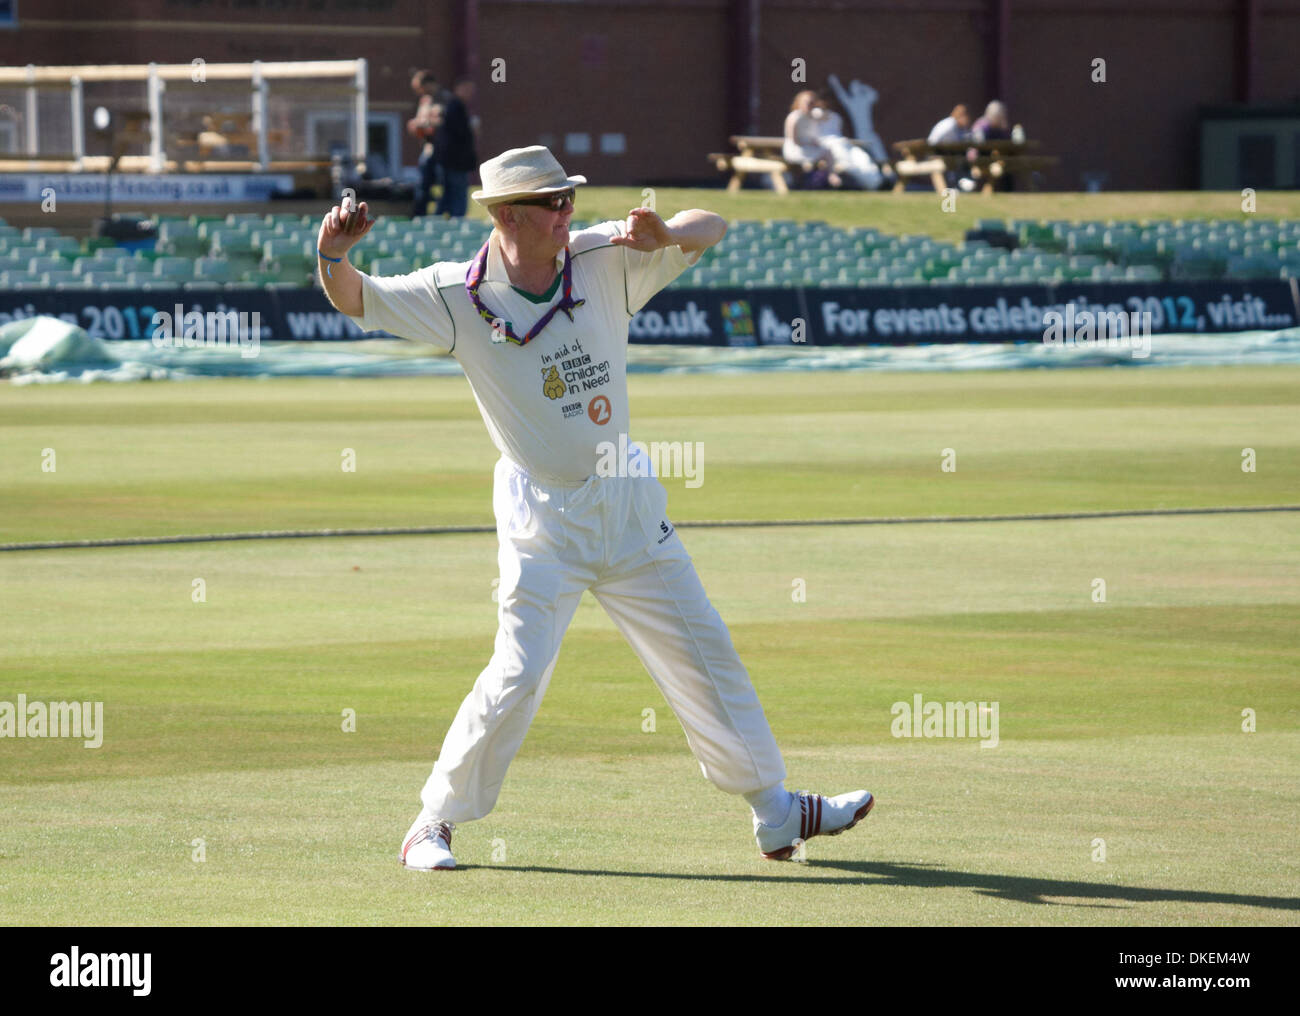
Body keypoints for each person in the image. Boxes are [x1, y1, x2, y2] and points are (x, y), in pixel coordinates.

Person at [314, 145, 874, 869]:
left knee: (704, 651)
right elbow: (356, 297)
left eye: (569, 198)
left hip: (628, 502)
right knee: (517, 675)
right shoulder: (456, 293)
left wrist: (666, 234)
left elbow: (715, 224)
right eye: (552, 203)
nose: (566, 212)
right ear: (508, 214)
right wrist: (332, 254)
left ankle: (774, 812)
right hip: (542, 522)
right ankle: (432, 823)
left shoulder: (604, 255)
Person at [812, 94, 887, 191]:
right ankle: (870, 183)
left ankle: (877, 182)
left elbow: (837, 133)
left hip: (843, 143)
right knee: (848, 163)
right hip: (829, 146)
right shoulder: (813, 114)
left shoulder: (835, 117)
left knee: (862, 157)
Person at [434, 77, 478, 218]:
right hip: (455, 161)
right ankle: (454, 220)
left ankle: (440, 219)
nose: (471, 93)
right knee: (456, 194)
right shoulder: (454, 106)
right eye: (467, 89)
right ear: (459, 88)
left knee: (449, 193)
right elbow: (459, 133)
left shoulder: (454, 106)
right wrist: (472, 129)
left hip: (452, 160)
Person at [407, 70, 444, 218]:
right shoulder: (425, 101)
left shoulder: (442, 99)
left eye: (419, 88)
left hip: (442, 150)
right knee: (423, 186)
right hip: (428, 148)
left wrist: (423, 124)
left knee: (444, 187)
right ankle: (421, 215)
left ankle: (440, 216)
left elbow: (441, 123)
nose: (418, 92)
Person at [783, 90, 839, 188]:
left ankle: (830, 176)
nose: (810, 105)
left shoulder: (812, 116)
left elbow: (826, 117)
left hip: (808, 148)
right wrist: (809, 144)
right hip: (796, 150)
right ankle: (827, 177)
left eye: (812, 103)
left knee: (827, 152)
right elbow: (794, 140)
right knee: (822, 155)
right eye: (807, 103)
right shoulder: (795, 117)